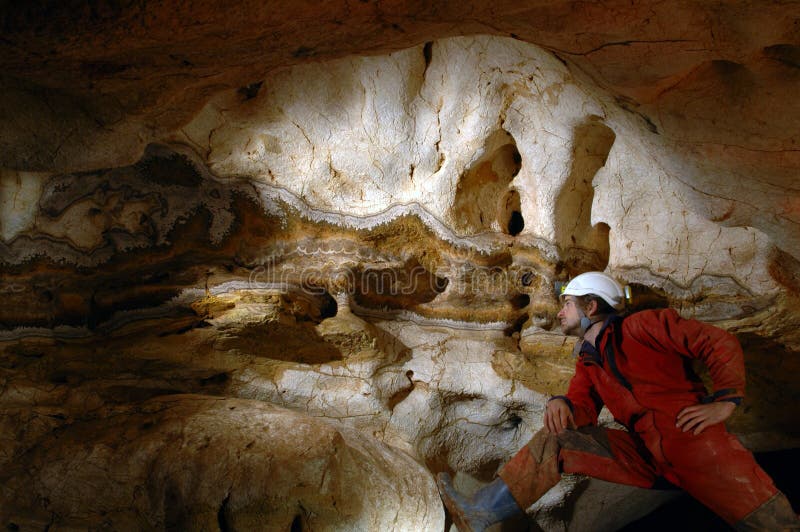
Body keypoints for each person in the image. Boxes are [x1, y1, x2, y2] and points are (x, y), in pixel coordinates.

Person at [437, 271, 799, 531]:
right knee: (558, 440)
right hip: (646, 456)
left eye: (567, 304)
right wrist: (562, 403)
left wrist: (726, 400)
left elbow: (718, 342)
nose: (560, 312)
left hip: (698, 450)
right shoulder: (588, 361)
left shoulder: (642, 327)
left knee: (776, 524)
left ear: (592, 306)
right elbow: (582, 408)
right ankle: (482, 511)